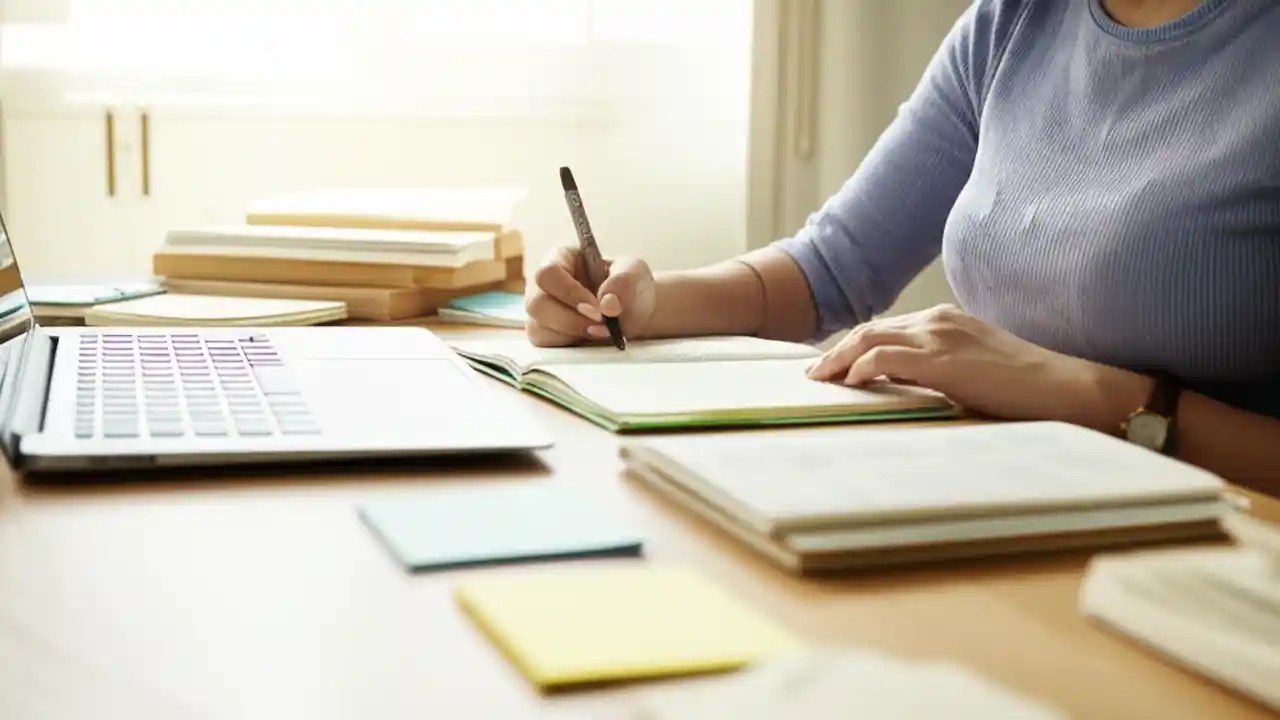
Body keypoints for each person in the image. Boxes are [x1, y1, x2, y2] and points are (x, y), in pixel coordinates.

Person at [524, 0, 1279, 490]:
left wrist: (1088, 395)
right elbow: (828, 271)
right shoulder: (1014, 23)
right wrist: (642, 305)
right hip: (999, 500)